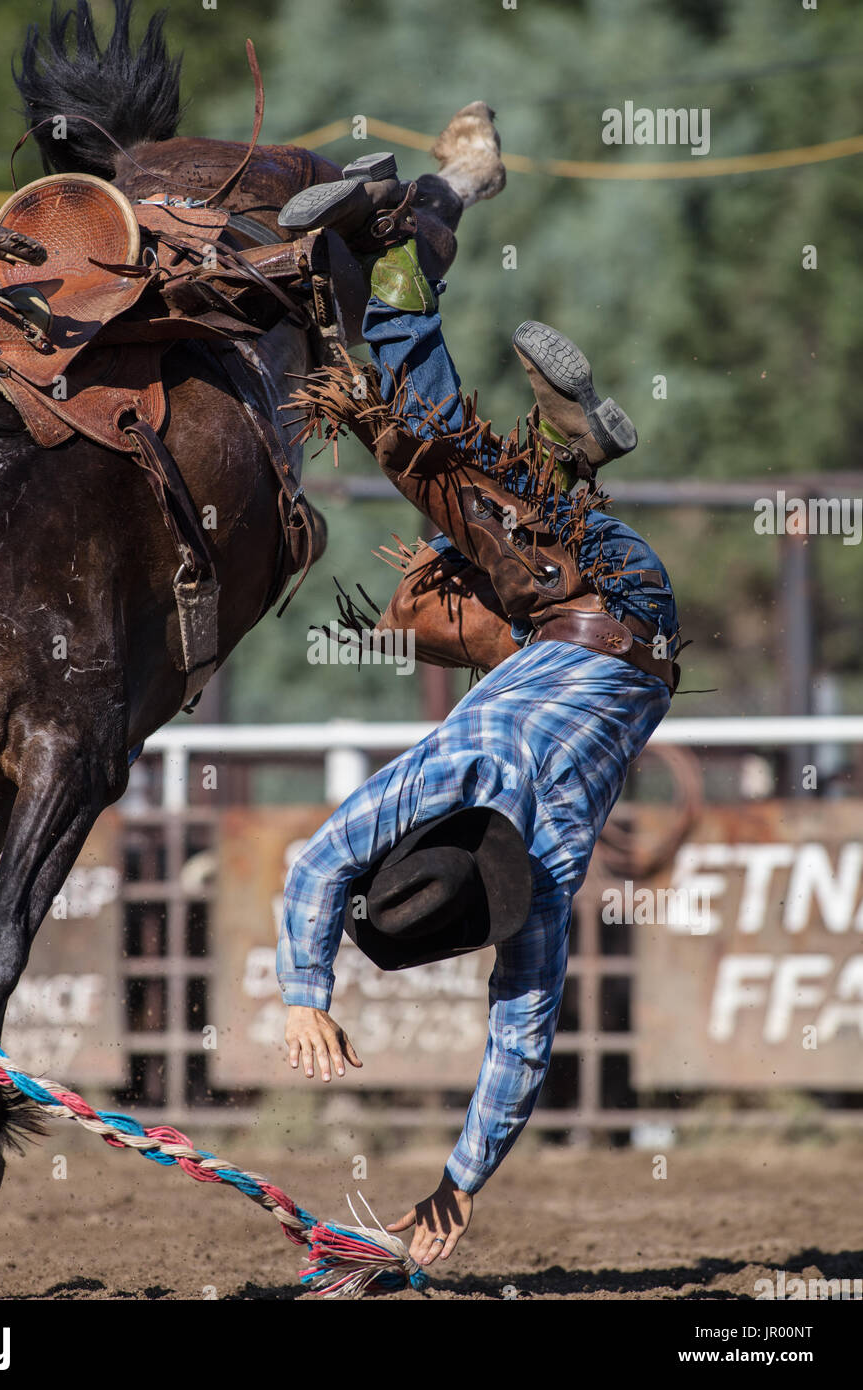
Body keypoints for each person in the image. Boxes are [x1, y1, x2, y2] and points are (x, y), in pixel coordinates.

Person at [272, 155, 682, 1268]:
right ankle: (400, 247)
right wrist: (304, 994)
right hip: (585, 603)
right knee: (424, 450)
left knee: (474, 510)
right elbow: (314, 868)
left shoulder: (541, 872)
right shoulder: (450, 777)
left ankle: (566, 450)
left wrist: (453, 1191)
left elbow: (522, 1039)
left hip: (632, 622)